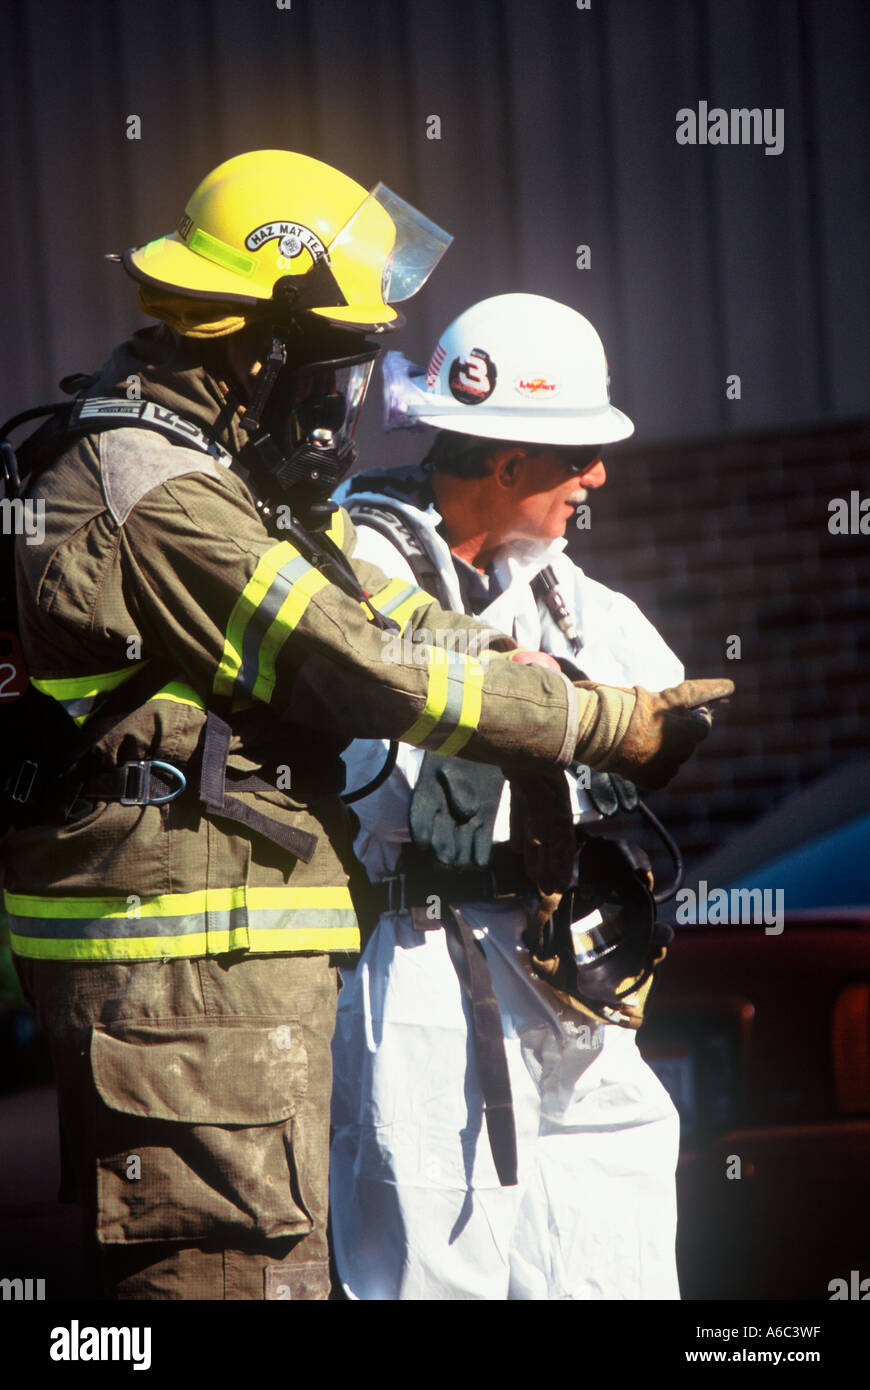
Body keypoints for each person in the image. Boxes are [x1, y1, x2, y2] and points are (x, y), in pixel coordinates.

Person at [2, 155, 727, 1301]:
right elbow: (372, 668)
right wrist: (593, 721)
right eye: (333, 359)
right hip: (188, 1000)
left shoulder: (212, 476)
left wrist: (540, 684)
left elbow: (392, 624)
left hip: (223, 994)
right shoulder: (162, 493)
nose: (340, 394)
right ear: (263, 345)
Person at [330, 293, 713, 1300]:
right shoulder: (357, 556)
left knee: (611, 1240)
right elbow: (420, 662)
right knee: (432, 1257)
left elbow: (645, 682)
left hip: (557, 955)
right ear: (507, 463)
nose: (597, 475)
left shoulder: (545, 572)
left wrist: (635, 717)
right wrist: (563, 698)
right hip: (426, 955)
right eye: (578, 452)